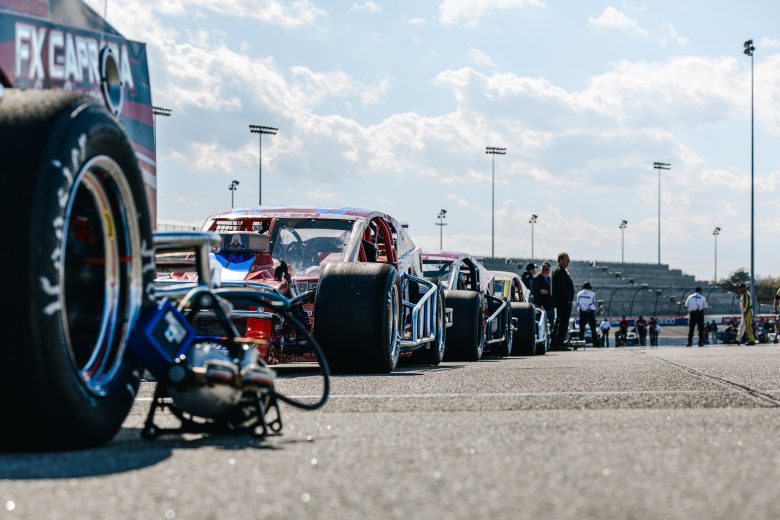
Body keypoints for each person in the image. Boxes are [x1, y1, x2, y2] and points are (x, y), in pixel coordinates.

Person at [551, 252, 574, 351]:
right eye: (567, 260)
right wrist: (568, 299)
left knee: (561, 323)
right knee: (562, 323)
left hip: (562, 302)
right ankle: (558, 344)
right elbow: (562, 288)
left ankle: (558, 343)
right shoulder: (560, 271)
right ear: (560, 260)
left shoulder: (559, 270)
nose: (568, 262)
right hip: (563, 302)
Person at [533, 262, 555, 335]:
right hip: (541, 306)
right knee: (541, 326)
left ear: (549, 270)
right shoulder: (536, 279)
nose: (545, 271)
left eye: (547, 269)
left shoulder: (551, 279)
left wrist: (546, 291)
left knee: (551, 325)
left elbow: (553, 291)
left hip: (550, 306)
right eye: (543, 269)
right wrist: (539, 305)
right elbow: (536, 293)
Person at [576, 282, 599, 348]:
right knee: (593, 329)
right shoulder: (592, 294)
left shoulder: (579, 293)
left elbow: (578, 303)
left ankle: (580, 343)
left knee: (581, 329)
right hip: (590, 312)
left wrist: (581, 310)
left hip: (582, 312)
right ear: (589, 287)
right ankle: (595, 344)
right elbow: (593, 302)